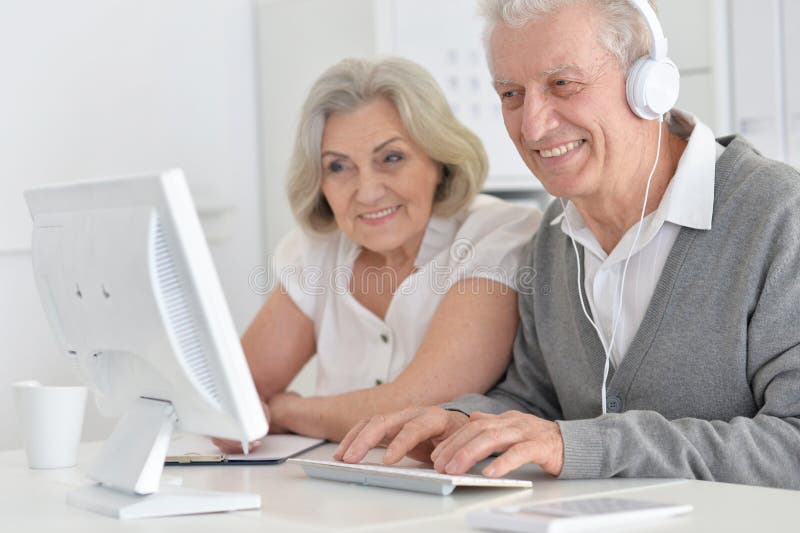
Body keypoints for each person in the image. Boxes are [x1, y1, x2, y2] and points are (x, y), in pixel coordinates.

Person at [335, 0, 800, 490]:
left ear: (648, 84)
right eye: (511, 94)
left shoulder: (776, 216)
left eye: (563, 85)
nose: (532, 127)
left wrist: (580, 445)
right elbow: (535, 402)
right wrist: (460, 424)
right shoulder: (556, 232)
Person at [215, 56, 541, 451]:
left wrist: (288, 412)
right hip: (330, 497)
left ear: (439, 159)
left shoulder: (497, 235)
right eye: (338, 167)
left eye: (391, 158)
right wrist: (240, 417)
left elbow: (413, 408)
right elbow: (227, 398)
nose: (367, 191)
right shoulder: (316, 253)